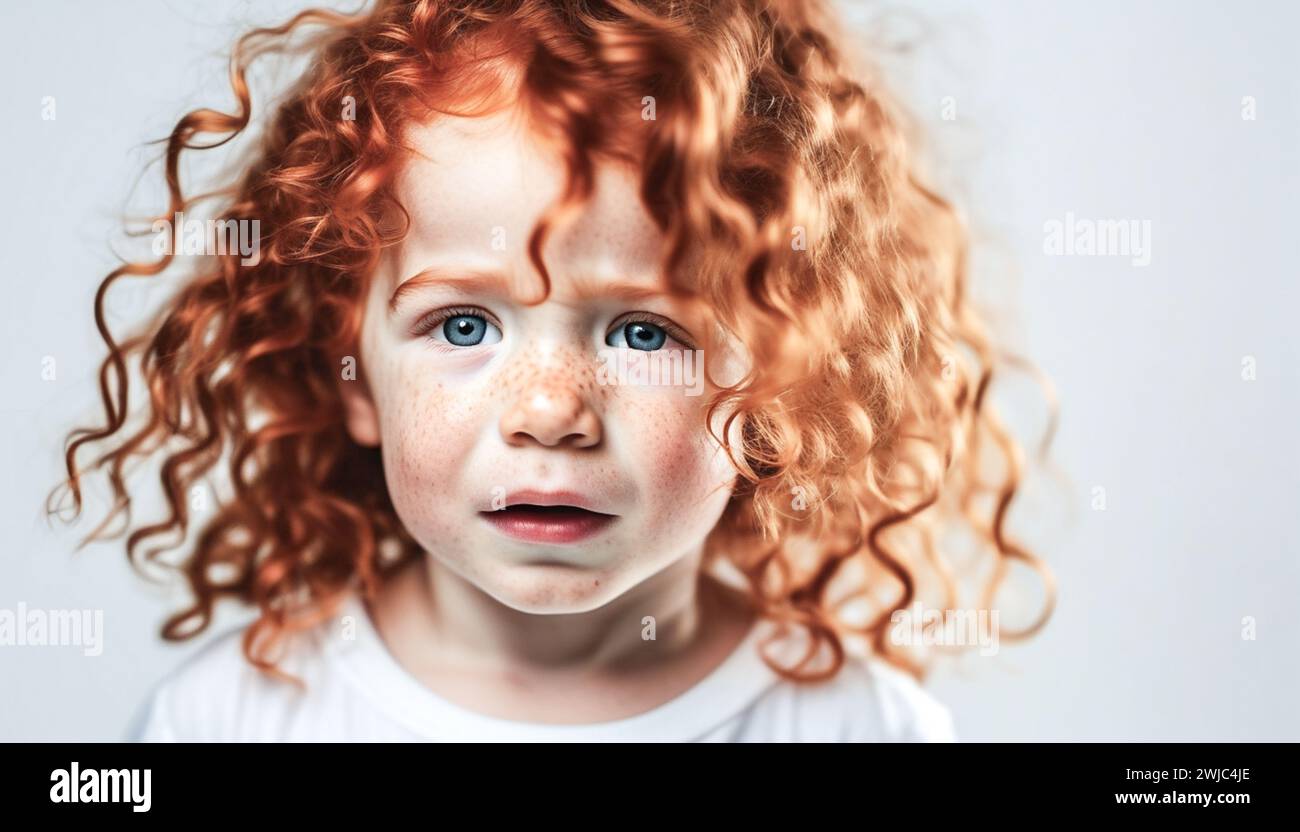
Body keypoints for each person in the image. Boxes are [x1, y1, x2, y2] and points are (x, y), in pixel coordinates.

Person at [55, 0, 1052, 742]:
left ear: (776, 388)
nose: (547, 412)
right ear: (353, 377)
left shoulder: (855, 728)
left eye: (644, 334)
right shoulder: (231, 721)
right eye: (461, 324)